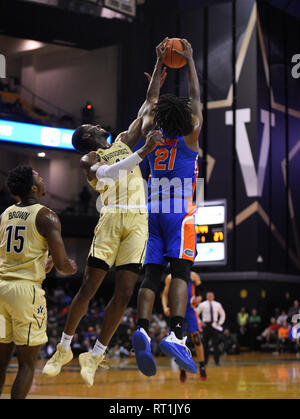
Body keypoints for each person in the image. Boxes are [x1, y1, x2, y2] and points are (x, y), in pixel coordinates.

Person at [43, 106, 161, 386]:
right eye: (91, 128)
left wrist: (159, 66)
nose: (97, 127)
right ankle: (63, 348)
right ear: (88, 137)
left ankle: (95, 355)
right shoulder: (89, 158)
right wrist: (144, 151)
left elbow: (148, 104)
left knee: (125, 291)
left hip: (138, 219)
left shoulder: (122, 141)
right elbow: (108, 174)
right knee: (89, 286)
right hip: (111, 216)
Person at [132, 38, 203, 377]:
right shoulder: (190, 135)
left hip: (153, 208)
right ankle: (177, 334)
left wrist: (160, 64)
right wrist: (188, 60)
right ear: (186, 119)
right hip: (180, 211)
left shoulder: (151, 133)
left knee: (151, 274)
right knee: (181, 273)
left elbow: (149, 101)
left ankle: (142, 328)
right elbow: (196, 98)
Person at [0, 166, 77, 399]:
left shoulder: (5, 214)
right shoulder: (46, 215)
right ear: (34, 188)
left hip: (2, 288)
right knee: (26, 364)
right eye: (40, 178)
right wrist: (69, 266)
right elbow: (63, 265)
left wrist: (40, 265)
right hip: (26, 293)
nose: (43, 180)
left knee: (0, 363)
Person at [162, 271, 207, 382]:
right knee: (178, 340)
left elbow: (202, 290)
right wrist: (165, 307)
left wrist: (200, 297)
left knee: (196, 338)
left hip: (190, 309)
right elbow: (165, 294)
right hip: (177, 309)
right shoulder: (170, 277)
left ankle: (202, 366)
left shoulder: (193, 275)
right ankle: (182, 368)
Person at [196, 292, 226, 366]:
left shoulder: (217, 304)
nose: (210, 297)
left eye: (211, 296)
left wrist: (220, 322)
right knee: (205, 344)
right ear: (206, 296)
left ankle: (217, 361)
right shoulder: (202, 304)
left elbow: (223, 314)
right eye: (208, 296)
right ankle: (204, 361)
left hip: (215, 325)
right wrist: (200, 322)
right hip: (206, 325)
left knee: (216, 344)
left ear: (213, 296)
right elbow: (196, 313)